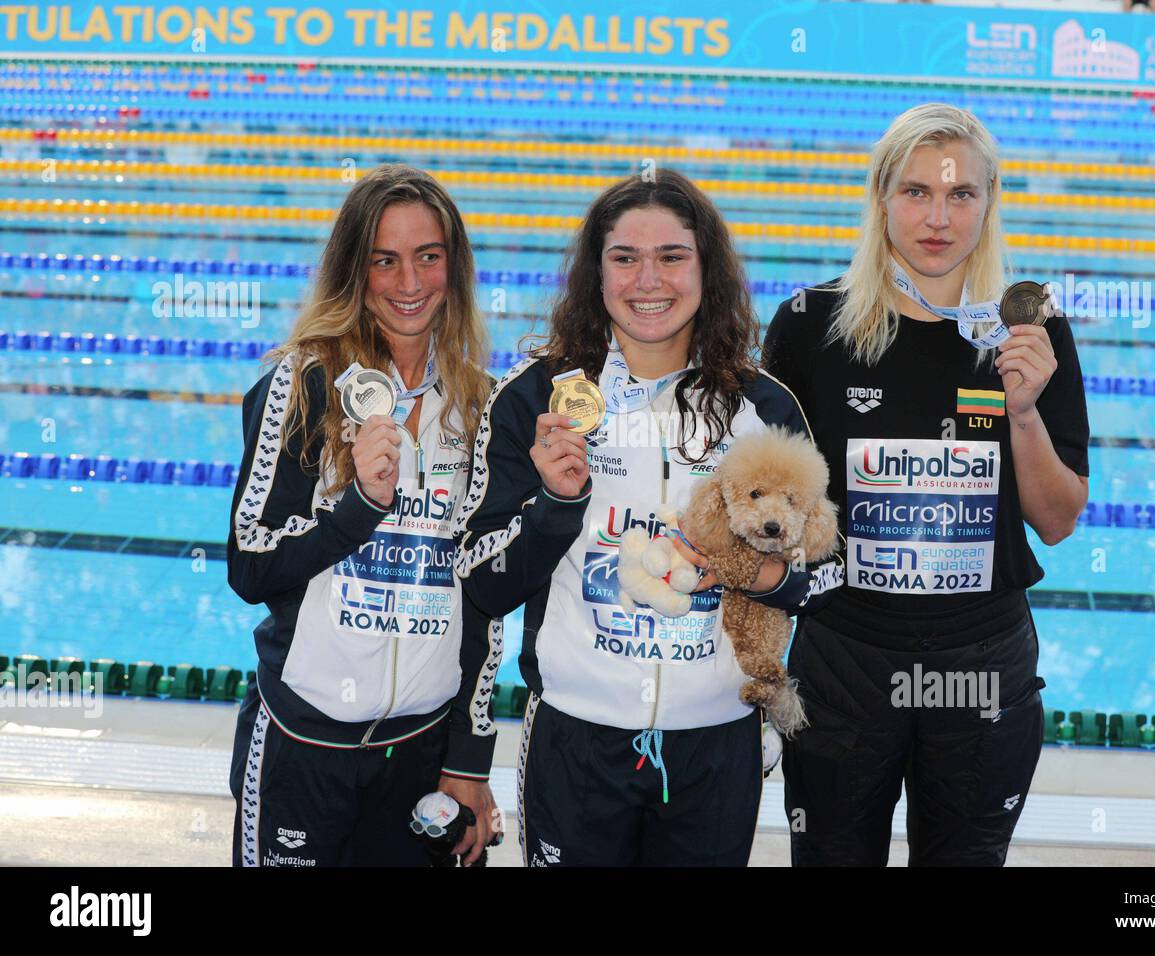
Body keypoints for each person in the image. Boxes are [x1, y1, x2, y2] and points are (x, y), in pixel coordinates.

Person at [453, 169, 841, 867]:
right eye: (624, 258)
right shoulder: (537, 396)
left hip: (716, 743)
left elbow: (829, 572)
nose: (647, 280)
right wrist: (556, 506)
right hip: (576, 737)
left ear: (706, 270)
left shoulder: (762, 406)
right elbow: (480, 581)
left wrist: (752, 569)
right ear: (595, 272)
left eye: (672, 256)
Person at [764, 103, 1090, 866]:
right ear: (881, 199)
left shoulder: (1036, 335)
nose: (938, 218)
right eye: (916, 192)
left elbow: (1058, 519)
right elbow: (761, 502)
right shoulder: (811, 327)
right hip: (844, 657)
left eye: (960, 195)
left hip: (978, 662)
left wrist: (1023, 415)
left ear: (988, 203)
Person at [226, 163, 501, 867]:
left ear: (454, 266)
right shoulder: (302, 383)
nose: (409, 283)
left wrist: (469, 758)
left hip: (421, 752)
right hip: (303, 743)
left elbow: (484, 597)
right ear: (356, 269)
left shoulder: (479, 403)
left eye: (427, 257)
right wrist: (359, 508)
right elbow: (251, 564)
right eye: (385, 260)